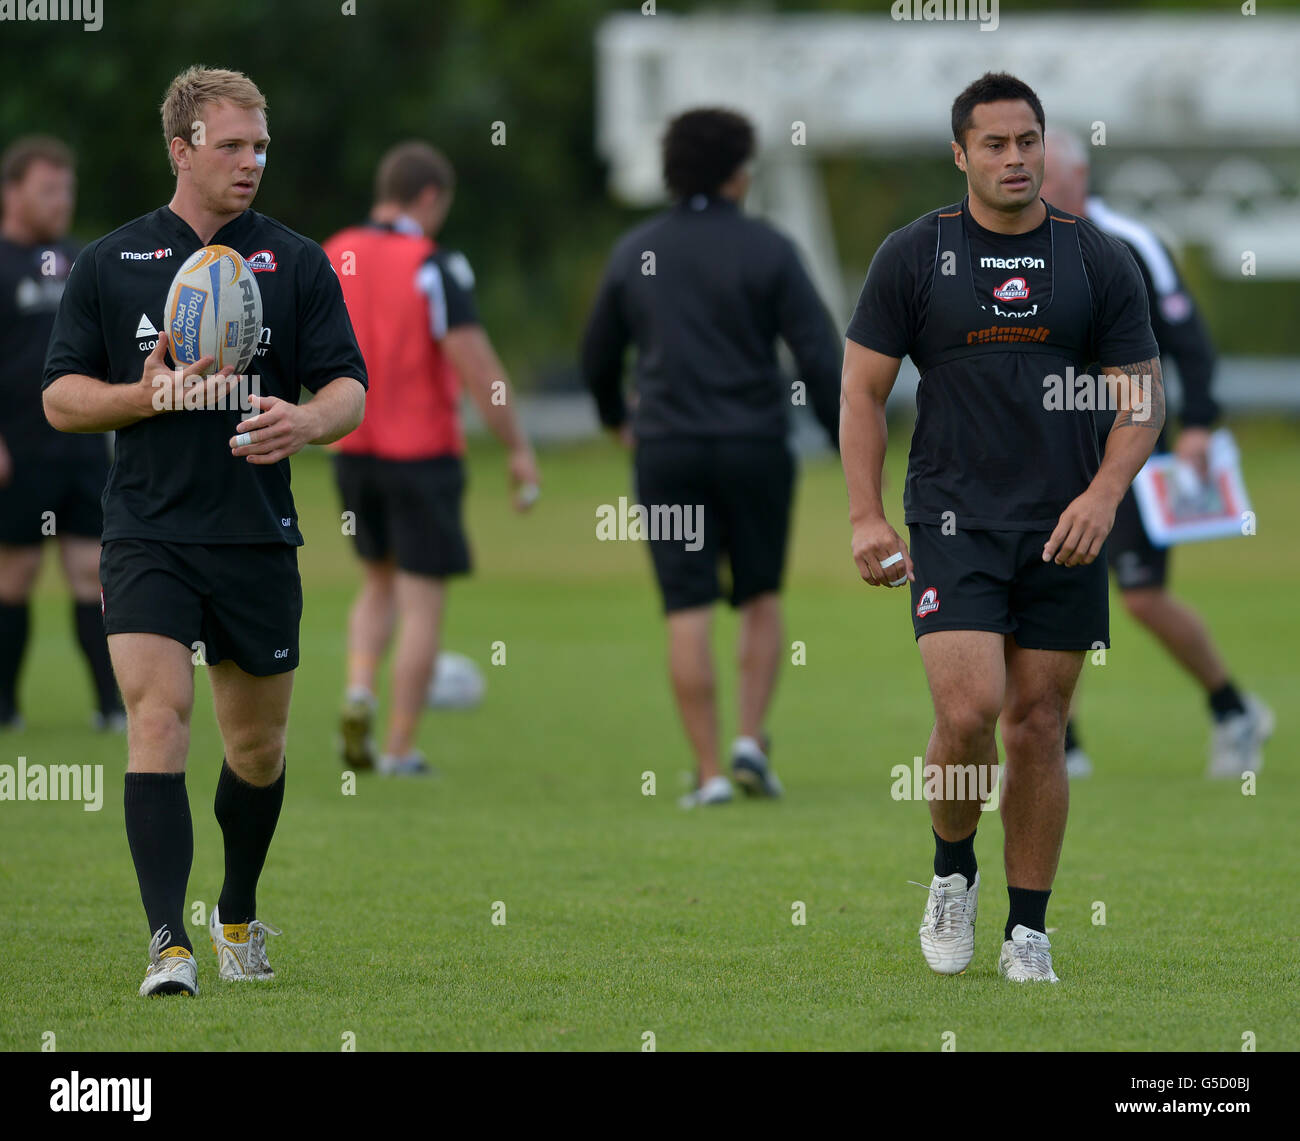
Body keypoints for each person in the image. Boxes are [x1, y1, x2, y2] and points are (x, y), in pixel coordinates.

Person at [42, 67, 366, 997]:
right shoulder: (111, 263)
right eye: (231, 144)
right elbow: (62, 398)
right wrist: (147, 394)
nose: (251, 161)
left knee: (256, 751)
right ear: (181, 148)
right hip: (146, 531)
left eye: (260, 145)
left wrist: (304, 422)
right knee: (157, 719)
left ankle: (235, 910)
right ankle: (166, 942)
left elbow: (348, 384)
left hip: (257, 535)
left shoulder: (297, 261)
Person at [840, 73, 1164, 982]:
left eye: (1028, 141)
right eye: (995, 144)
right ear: (961, 154)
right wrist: (865, 512)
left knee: (1038, 722)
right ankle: (951, 873)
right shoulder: (914, 254)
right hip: (953, 519)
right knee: (970, 710)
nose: (1015, 158)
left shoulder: (1095, 258)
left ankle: (1030, 931)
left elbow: (1141, 397)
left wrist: (1104, 492)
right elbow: (862, 390)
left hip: (1065, 523)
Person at [581, 108, 841, 808]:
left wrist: (616, 419)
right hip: (756, 444)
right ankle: (751, 740)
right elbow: (818, 352)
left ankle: (709, 774)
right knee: (760, 592)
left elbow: (597, 353)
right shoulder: (769, 247)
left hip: (667, 446)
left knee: (686, 603)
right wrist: (847, 440)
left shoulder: (638, 248)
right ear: (738, 171)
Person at [1040, 130, 1273, 780]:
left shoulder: (1130, 244)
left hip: (1131, 449)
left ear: (1078, 177)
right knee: (1052, 585)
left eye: (1044, 174)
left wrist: (1199, 421)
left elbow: (1188, 339)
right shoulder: (1025, 247)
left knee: (1141, 596)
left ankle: (1233, 708)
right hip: (1055, 446)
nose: (1028, 183)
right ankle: (1063, 742)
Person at [323, 141, 539, 777]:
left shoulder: (334, 253)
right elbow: (478, 366)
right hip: (420, 453)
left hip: (351, 448)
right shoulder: (434, 265)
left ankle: (360, 689)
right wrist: (517, 445)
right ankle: (398, 748)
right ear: (428, 197)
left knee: (376, 581)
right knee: (422, 601)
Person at [0, 136, 123, 731]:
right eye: (48, 189)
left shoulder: (79, 263)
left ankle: (111, 706)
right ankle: (5, 708)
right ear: (12, 192)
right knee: (15, 574)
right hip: (18, 451)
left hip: (80, 449)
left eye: (67, 189)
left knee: (91, 571)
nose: (61, 200)